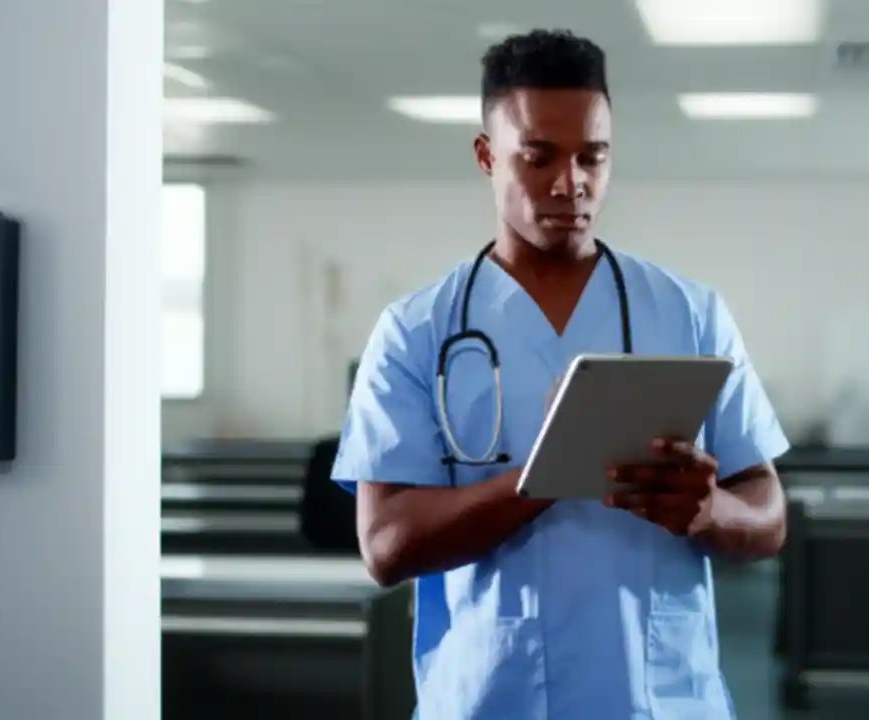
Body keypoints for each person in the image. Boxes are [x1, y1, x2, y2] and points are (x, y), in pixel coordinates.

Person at [332, 28, 790, 719]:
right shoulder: (416, 332)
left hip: (661, 698)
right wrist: (542, 475)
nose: (569, 182)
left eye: (592, 157)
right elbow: (385, 546)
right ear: (488, 156)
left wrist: (712, 511)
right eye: (538, 157)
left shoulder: (689, 312)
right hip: (491, 695)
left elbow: (769, 513)